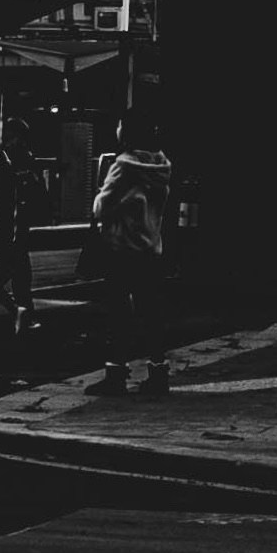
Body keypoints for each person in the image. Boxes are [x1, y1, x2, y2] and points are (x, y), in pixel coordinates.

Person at [80, 132, 187, 401]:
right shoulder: (163, 166)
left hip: (122, 248)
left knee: (118, 313)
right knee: (151, 312)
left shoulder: (124, 164)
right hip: (150, 246)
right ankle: (158, 374)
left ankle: (116, 375)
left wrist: (101, 198)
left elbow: (101, 206)